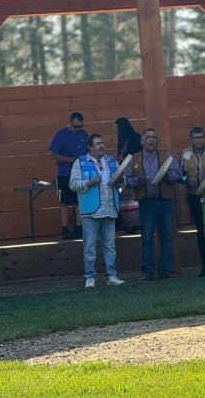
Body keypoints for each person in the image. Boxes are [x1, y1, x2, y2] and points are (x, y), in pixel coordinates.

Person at [69, 134, 125, 288]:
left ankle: (111, 275)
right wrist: (91, 182)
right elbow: (72, 184)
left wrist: (121, 181)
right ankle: (90, 277)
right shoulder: (80, 162)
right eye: (98, 144)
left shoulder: (111, 161)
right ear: (90, 147)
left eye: (102, 143)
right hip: (90, 210)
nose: (101, 146)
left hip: (109, 207)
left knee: (110, 245)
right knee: (89, 246)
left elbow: (122, 182)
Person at [124, 128, 181, 280]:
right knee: (147, 237)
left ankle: (167, 271)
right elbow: (125, 179)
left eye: (154, 137)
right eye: (148, 137)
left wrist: (170, 176)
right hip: (146, 203)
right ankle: (147, 272)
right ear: (142, 141)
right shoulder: (134, 158)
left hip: (164, 201)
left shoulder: (166, 156)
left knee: (166, 237)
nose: (151, 140)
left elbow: (178, 172)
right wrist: (138, 181)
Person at [180, 126, 205, 277]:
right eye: (195, 138)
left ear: (204, 138)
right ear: (191, 139)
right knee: (201, 231)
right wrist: (188, 180)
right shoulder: (185, 154)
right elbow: (180, 176)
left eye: (200, 137)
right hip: (194, 197)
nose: (198, 140)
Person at [49, 111, 88, 239]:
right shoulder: (60, 135)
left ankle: (79, 227)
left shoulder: (84, 135)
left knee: (79, 201)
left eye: (80, 127)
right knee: (64, 202)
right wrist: (69, 159)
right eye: (76, 126)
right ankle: (65, 229)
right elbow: (53, 154)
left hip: (81, 174)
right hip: (65, 173)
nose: (78, 129)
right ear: (69, 122)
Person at [114, 117, 142, 234]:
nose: (115, 128)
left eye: (116, 126)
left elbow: (137, 154)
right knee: (125, 199)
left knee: (133, 200)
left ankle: (136, 223)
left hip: (133, 171)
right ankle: (127, 224)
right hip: (124, 173)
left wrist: (124, 157)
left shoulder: (135, 137)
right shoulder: (122, 139)